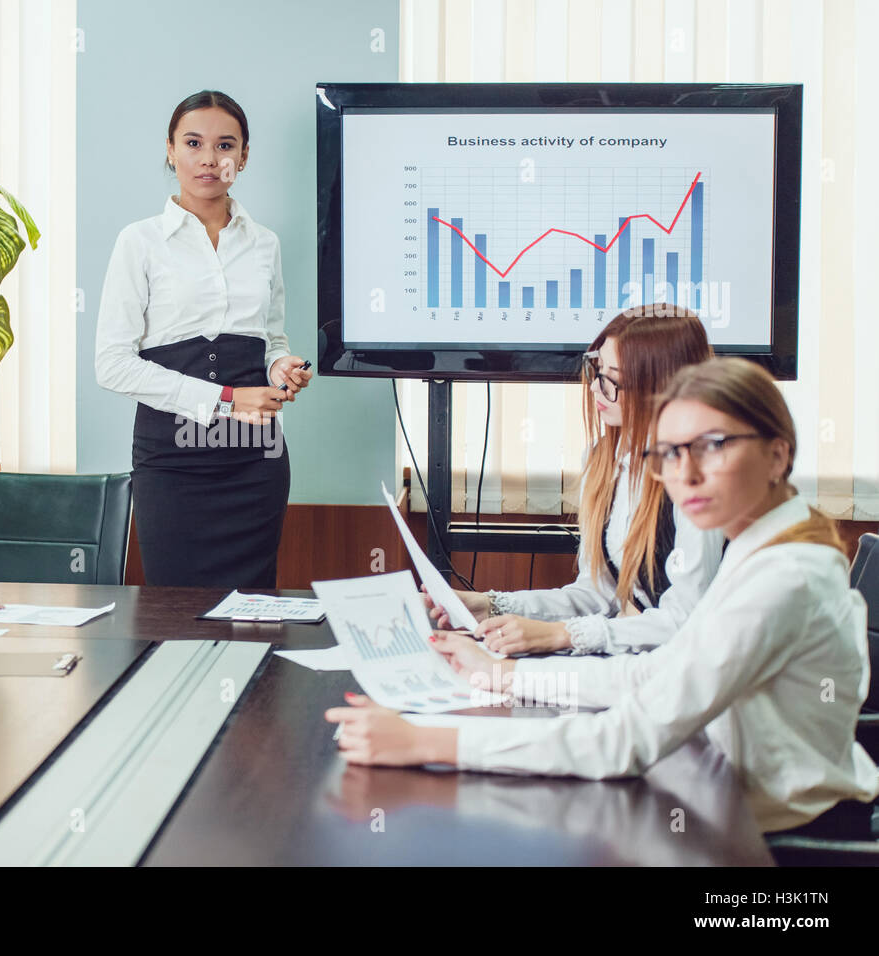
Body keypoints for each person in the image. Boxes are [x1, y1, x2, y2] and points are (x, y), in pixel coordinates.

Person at [328, 357, 879, 835]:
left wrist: (427, 741)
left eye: (712, 446)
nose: (683, 474)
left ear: (779, 456)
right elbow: (654, 674)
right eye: (668, 453)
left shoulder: (784, 576)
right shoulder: (767, 541)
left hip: (782, 841)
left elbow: (625, 740)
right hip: (735, 800)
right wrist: (498, 676)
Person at [95, 89, 313, 588]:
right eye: (193, 143)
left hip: (255, 464)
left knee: (254, 612)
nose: (209, 159)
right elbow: (111, 364)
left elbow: (272, 339)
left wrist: (281, 366)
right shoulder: (139, 241)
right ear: (170, 150)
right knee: (176, 614)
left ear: (244, 157)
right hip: (172, 462)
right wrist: (227, 399)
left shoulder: (265, 243)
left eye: (225, 146)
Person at [435, 306, 724, 655]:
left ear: (660, 388)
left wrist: (562, 635)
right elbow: (598, 595)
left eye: (613, 377)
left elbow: (686, 621)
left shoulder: (701, 477)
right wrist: (490, 605)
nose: (595, 388)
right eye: (597, 369)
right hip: (638, 664)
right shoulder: (604, 460)